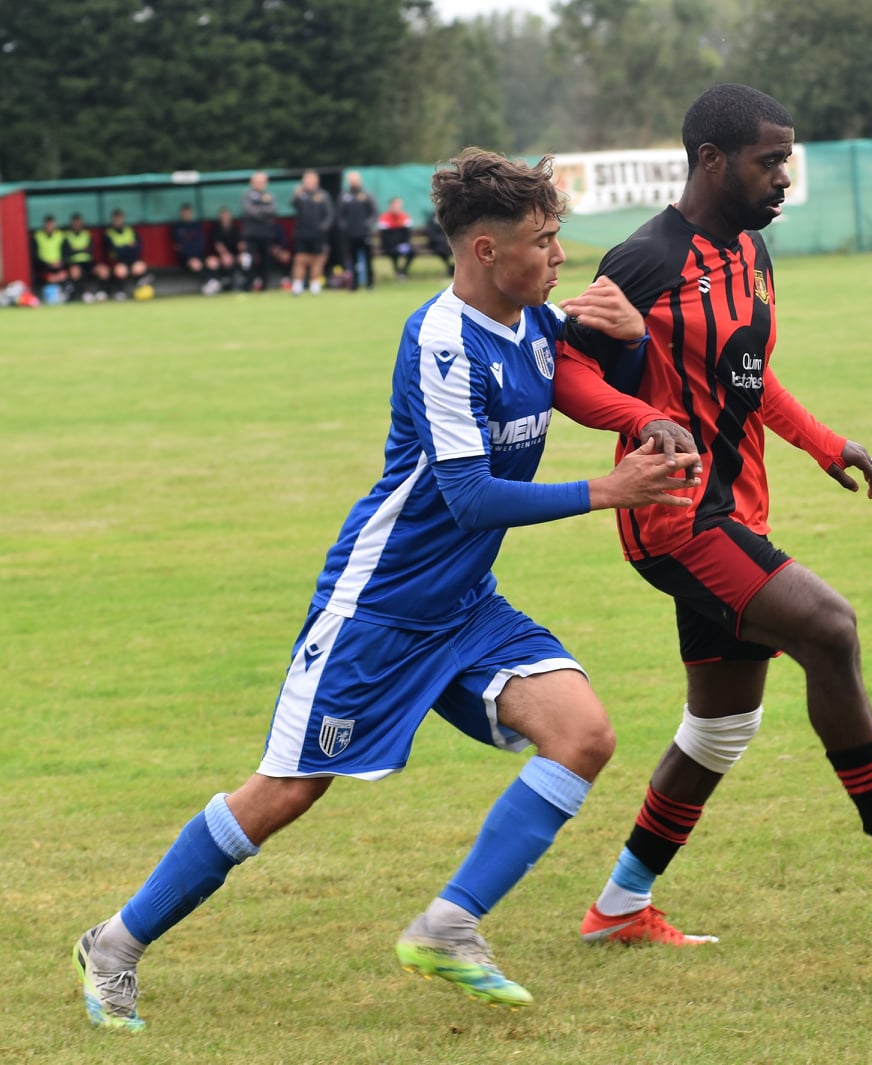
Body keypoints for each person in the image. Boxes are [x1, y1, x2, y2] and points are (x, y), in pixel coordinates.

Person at [71, 148, 701, 1032]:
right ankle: (115, 943)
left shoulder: (535, 325)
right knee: (287, 790)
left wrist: (632, 356)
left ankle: (449, 925)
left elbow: (586, 388)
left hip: (465, 605)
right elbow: (469, 497)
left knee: (582, 732)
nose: (561, 254)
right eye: (543, 239)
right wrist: (607, 490)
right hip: (380, 604)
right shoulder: (440, 339)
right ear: (484, 249)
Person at [554, 83, 872, 947]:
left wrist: (823, 442)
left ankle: (619, 905)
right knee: (828, 625)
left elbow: (749, 374)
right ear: (712, 161)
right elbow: (565, 372)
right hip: (676, 516)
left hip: (735, 507)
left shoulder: (751, 252)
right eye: (769, 160)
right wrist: (638, 419)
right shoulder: (641, 260)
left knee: (721, 723)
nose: (785, 176)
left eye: (788, 158)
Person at [291, 170, 334, 295]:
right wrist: (297, 194)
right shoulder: (300, 194)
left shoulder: (323, 195)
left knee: (318, 259)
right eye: (306, 180)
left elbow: (329, 214)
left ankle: (315, 285)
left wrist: (323, 228)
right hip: (302, 233)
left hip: (317, 234)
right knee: (300, 259)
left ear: (316, 181)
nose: (309, 182)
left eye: (311, 180)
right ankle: (297, 286)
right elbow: (293, 204)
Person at [338, 170, 378, 291]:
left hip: (365, 233)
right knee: (352, 260)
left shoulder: (367, 194)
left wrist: (367, 224)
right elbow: (340, 215)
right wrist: (345, 227)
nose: (353, 182)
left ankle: (370, 284)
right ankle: (354, 285)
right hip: (350, 234)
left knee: (368, 259)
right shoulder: (345, 196)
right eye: (351, 180)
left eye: (355, 179)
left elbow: (374, 212)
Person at [172, 203, 222, 295]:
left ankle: (213, 282)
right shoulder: (177, 227)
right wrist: (189, 256)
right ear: (182, 213)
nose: (187, 214)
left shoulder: (197, 225)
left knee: (212, 261)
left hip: (200, 254)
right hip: (186, 258)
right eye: (185, 212)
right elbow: (179, 247)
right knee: (196, 263)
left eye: (188, 212)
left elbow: (201, 243)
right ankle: (208, 282)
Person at [241, 171, 278, 292]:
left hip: (266, 233)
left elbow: (272, 211)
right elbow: (248, 211)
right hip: (251, 234)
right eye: (257, 181)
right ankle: (247, 286)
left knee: (266, 260)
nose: (260, 184)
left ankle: (264, 286)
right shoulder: (247, 195)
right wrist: (263, 212)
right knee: (248, 260)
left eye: (262, 181)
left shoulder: (269, 195)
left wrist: (258, 209)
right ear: (252, 182)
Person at [102, 209, 151, 300]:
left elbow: (138, 247)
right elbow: (113, 250)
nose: (118, 221)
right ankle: (120, 292)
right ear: (112, 220)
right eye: (116, 219)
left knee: (139, 267)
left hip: (133, 259)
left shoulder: (130, 230)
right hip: (119, 261)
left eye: (120, 219)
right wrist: (129, 246)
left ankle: (140, 287)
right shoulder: (109, 233)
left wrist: (122, 248)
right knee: (121, 270)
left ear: (123, 219)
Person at [61, 213, 102, 301]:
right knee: (75, 272)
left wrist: (76, 249)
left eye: (78, 222)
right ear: (71, 223)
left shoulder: (86, 234)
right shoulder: (67, 235)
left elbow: (91, 250)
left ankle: (100, 292)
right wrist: (83, 249)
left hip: (88, 262)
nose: (76, 224)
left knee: (102, 270)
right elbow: (67, 251)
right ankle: (84, 293)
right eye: (75, 222)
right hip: (73, 262)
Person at [31, 214, 69, 298]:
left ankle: (66, 296)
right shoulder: (37, 236)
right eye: (48, 224)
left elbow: (66, 253)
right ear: (44, 225)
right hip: (43, 267)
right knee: (50, 277)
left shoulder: (61, 236)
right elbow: (34, 256)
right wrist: (48, 264)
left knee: (63, 275)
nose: (49, 226)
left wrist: (61, 263)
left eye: (51, 224)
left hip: (59, 266)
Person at [379, 197, 415, 279]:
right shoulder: (385, 218)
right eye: (395, 205)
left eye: (398, 205)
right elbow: (385, 236)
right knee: (393, 252)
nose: (397, 207)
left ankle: (403, 271)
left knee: (412, 253)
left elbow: (407, 234)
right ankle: (398, 271)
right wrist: (395, 245)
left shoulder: (404, 217)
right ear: (390, 206)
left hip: (402, 244)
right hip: (389, 245)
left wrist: (404, 244)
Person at [211, 206, 243, 291]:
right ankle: (226, 281)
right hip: (221, 255)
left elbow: (240, 243)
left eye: (227, 215)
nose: (225, 217)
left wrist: (241, 252)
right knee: (226, 259)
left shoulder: (235, 228)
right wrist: (226, 254)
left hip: (234, 254)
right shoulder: (216, 229)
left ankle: (245, 281)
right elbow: (218, 245)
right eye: (223, 216)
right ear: (220, 217)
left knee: (244, 259)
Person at [425, 211, 454, 276]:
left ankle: (452, 267)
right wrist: (444, 241)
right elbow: (431, 233)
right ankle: (450, 266)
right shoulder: (432, 219)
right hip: (436, 244)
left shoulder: (447, 217)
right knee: (441, 250)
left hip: (448, 244)